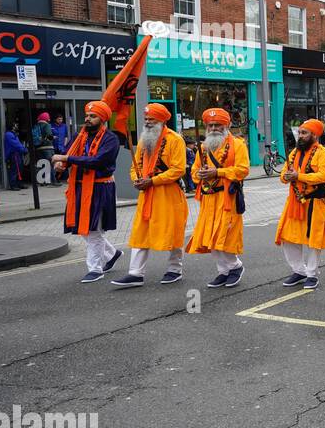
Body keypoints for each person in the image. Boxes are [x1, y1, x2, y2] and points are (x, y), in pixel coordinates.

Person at [111, 104, 188, 287]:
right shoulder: (144, 139)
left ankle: (174, 269)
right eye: (146, 119)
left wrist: (152, 181)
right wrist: (136, 180)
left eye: (151, 119)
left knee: (173, 232)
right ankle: (135, 273)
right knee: (140, 232)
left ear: (163, 121)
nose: (147, 122)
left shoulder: (175, 140)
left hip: (168, 195)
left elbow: (178, 170)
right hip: (147, 195)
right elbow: (135, 166)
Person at [53, 100, 123, 283]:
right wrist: (62, 164)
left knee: (94, 230)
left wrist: (67, 158)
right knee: (85, 229)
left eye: (93, 116)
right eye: (87, 115)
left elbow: (98, 161)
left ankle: (95, 269)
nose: (88, 119)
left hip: (100, 187)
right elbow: (68, 154)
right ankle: (112, 254)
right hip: (79, 187)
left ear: (103, 119)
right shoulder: (79, 135)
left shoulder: (111, 139)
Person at [185, 108, 249, 288]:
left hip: (228, 198)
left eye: (218, 125)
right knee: (210, 237)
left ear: (227, 125)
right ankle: (223, 271)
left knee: (225, 235)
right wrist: (200, 175)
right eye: (210, 125)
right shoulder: (203, 147)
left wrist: (218, 171)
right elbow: (194, 171)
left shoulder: (237, 145)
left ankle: (235, 266)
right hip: (208, 199)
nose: (213, 128)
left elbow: (243, 170)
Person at [276, 118, 325, 290]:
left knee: (313, 240)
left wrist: (298, 176)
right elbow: (284, 174)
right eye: (299, 132)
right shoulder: (294, 153)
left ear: (314, 135)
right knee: (288, 237)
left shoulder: (324, 154)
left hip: (314, 202)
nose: (300, 136)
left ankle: (312, 274)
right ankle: (299, 271)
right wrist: (285, 176)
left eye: (304, 133)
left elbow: (323, 176)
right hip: (294, 202)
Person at [32, 112, 55, 186]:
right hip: (47, 148)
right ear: (46, 118)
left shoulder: (36, 126)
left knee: (41, 164)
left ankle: (41, 181)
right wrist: (53, 137)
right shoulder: (47, 125)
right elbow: (49, 135)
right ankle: (52, 181)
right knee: (50, 164)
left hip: (39, 148)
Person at [3, 120, 27, 190]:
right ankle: (13, 185)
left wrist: (23, 149)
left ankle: (19, 183)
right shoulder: (9, 134)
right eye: (15, 125)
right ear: (12, 127)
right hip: (14, 154)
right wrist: (24, 150)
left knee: (20, 169)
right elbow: (16, 145)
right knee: (15, 170)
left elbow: (18, 144)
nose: (17, 126)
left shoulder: (13, 134)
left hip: (17, 154)